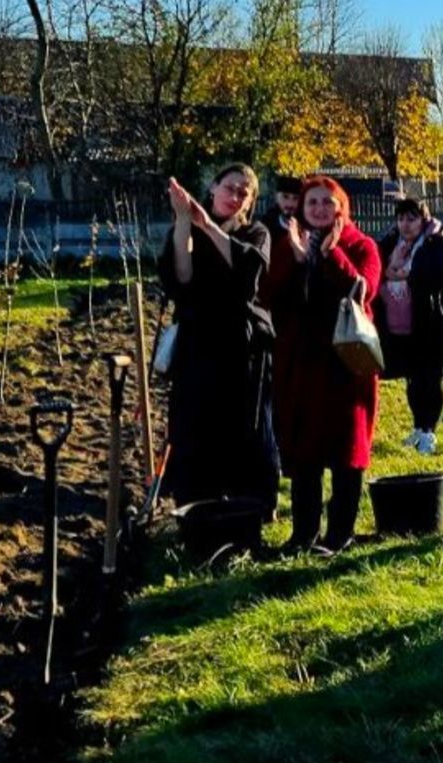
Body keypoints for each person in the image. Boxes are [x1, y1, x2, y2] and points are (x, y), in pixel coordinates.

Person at [261, 174, 382, 554]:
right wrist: (295, 259)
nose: (319, 209)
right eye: (311, 202)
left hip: (345, 364)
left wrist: (332, 255)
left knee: (347, 450)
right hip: (299, 365)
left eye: (328, 202)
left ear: (342, 208)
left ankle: (340, 533)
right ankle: (304, 533)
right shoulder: (287, 245)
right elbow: (267, 294)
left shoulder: (361, 245)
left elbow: (363, 290)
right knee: (303, 452)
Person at [156, 165, 278, 511]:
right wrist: (184, 220)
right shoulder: (183, 229)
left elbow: (248, 274)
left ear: (250, 202)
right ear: (213, 188)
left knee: (244, 427)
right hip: (197, 342)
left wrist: (207, 225)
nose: (235, 196)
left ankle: (249, 507)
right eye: (230, 187)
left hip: (241, 345)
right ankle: (198, 506)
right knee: (195, 427)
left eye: (243, 193)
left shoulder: (256, 232)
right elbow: (181, 277)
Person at [375, 197, 443, 456]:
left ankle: (429, 431)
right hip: (402, 323)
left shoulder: (436, 241)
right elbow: (374, 263)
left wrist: (411, 276)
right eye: (401, 218)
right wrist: (389, 273)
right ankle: (418, 427)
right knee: (412, 376)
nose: (405, 224)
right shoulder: (391, 241)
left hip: (433, 321)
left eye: (411, 219)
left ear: (423, 220)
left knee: (431, 377)